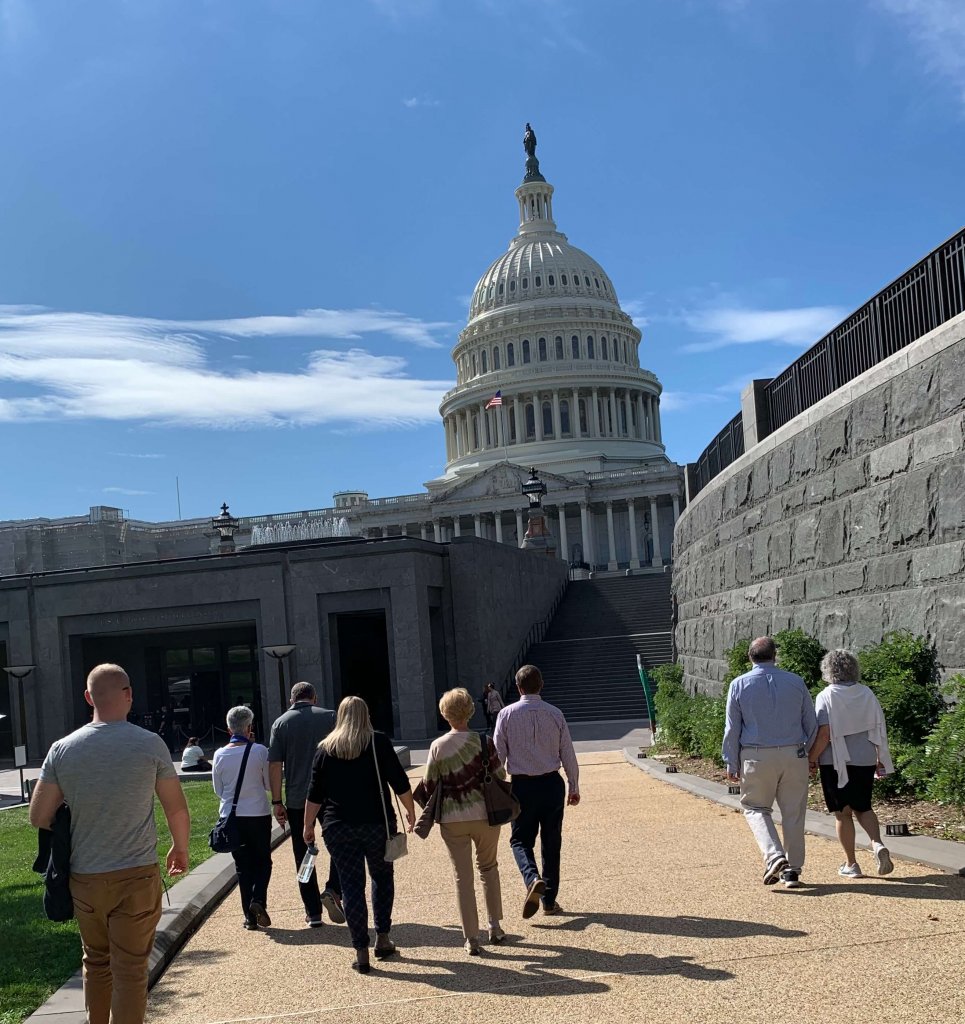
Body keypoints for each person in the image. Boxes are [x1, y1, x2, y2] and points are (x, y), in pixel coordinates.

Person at [28, 664, 190, 1024]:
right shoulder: (150, 744)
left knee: (96, 961)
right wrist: (180, 848)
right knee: (131, 970)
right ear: (129, 694)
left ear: (88, 698)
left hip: (86, 877)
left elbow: (39, 816)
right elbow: (175, 807)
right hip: (136, 874)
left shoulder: (62, 749)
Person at [303, 696, 415, 974]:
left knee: (352, 886)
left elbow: (315, 793)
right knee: (382, 877)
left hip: (338, 826)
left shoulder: (325, 749)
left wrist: (307, 825)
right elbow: (399, 780)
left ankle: (361, 950)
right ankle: (384, 937)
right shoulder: (377, 742)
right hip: (377, 823)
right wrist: (410, 810)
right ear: (366, 715)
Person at [722, 636, 818, 889]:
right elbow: (812, 724)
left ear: (749, 657)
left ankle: (775, 856)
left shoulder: (739, 684)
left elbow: (732, 728)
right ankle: (793, 871)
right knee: (794, 813)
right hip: (793, 752)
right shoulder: (796, 682)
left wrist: (731, 761)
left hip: (756, 754)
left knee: (755, 808)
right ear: (775, 655)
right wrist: (807, 753)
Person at [422, 687, 506, 955]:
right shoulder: (483, 741)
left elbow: (428, 783)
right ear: (470, 710)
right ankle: (495, 926)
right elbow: (501, 774)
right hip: (485, 815)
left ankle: (471, 937)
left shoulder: (438, 746)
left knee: (463, 877)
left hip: (452, 817)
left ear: (445, 714)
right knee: (489, 868)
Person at [493, 664, 579, 919]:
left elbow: (498, 756)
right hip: (552, 783)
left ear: (518, 688)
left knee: (520, 840)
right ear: (541, 686)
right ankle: (550, 901)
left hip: (522, 785)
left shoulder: (506, 715)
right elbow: (568, 753)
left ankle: (532, 878)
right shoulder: (555, 714)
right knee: (552, 842)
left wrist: (498, 789)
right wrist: (573, 785)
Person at [809, 649, 895, 878]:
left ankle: (851, 864)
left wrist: (811, 758)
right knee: (863, 806)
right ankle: (877, 843)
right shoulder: (867, 693)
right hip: (865, 757)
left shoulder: (826, 696)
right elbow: (878, 727)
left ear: (828, 670)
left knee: (842, 813)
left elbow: (824, 734)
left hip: (835, 761)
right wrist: (880, 757)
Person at [267, 682, 344, 928]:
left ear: (292, 700)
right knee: (341, 845)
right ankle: (334, 888)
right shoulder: (331, 717)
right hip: (333, 794)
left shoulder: (280, 723)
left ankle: (312, 912)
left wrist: (277, 800)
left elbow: (275, 764)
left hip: (298, 797)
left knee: (304, 852)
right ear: (314, 697)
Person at [212, 706, 273, 930]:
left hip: (231, 816)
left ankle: (249, 917)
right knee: (263, 862)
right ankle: (259, 900)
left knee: (242, 866)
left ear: (229, 729)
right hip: (257, 813)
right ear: (249, 727)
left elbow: (218, 790)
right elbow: (267, 785)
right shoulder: (259, 751)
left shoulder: (219, 754)